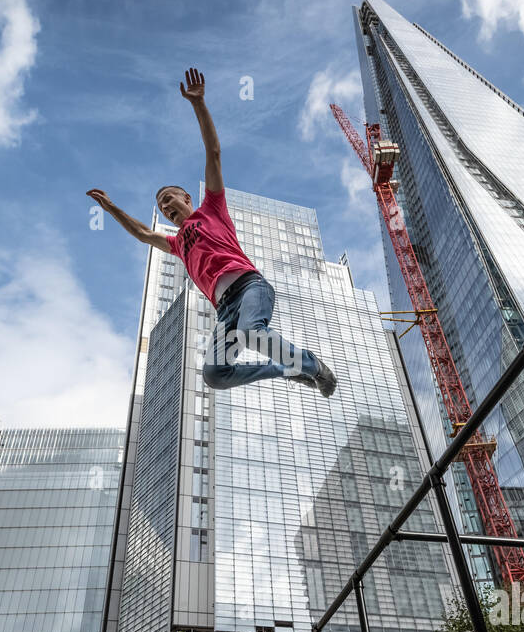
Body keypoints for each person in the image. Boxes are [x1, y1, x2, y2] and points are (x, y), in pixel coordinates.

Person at [88, 67, 338, 397]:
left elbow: (214, 153)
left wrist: (198, 105)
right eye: (162, 207)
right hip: (225, 308)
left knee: (252, 333)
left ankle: (311, 364)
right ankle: (287, 369)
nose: (166, 207)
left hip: (250, 286)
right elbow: (142, 234)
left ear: (186, 197)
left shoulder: (212, 208)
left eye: (168, 199)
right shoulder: (177, 244)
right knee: (215, 374)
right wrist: (112, 209)